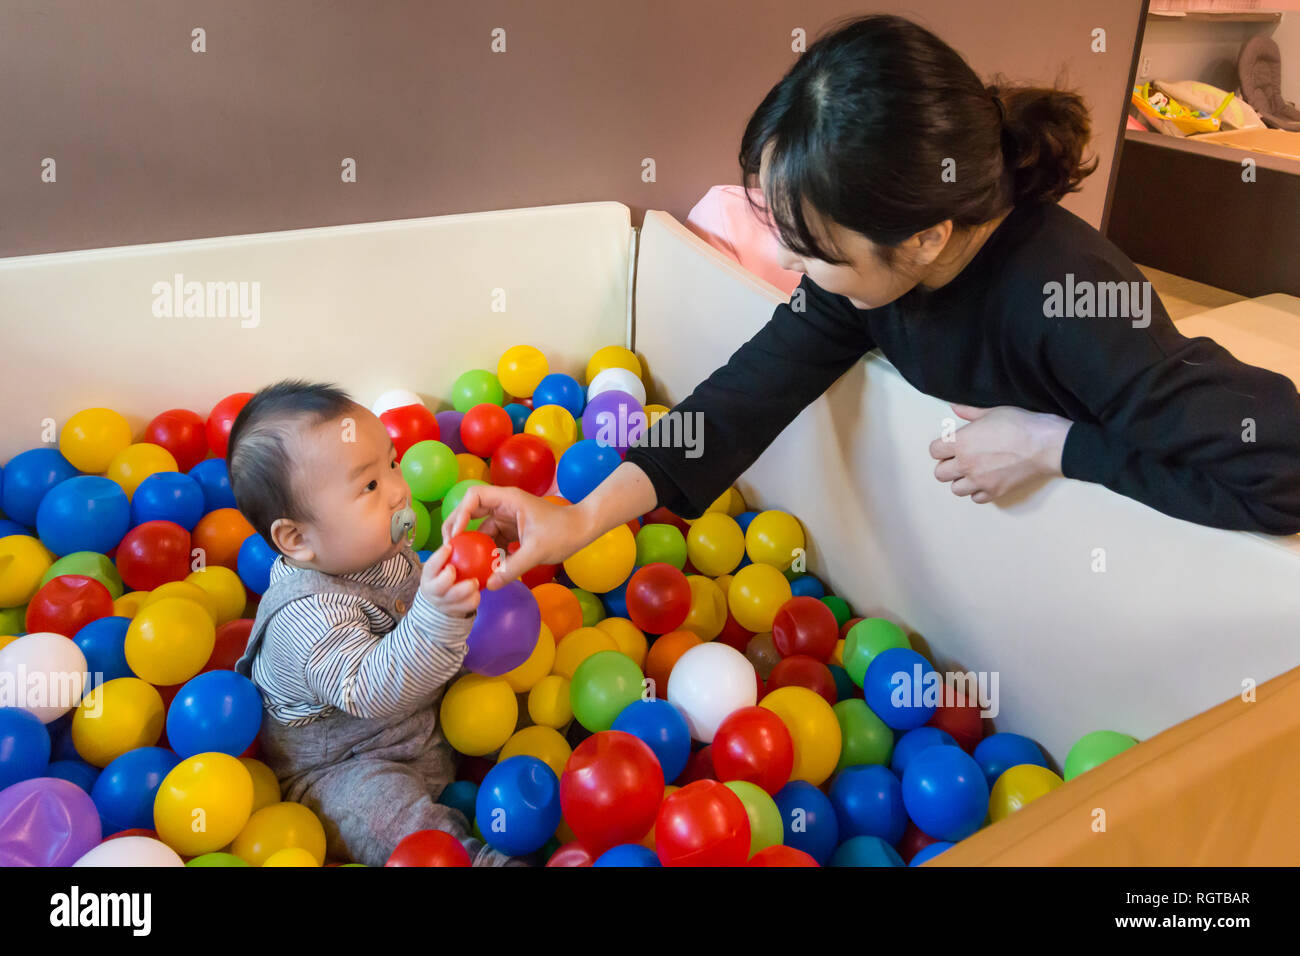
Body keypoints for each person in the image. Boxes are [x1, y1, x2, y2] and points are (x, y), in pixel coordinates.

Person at [444, 13, 1300, 589]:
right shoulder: (873, 270)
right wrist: (580, 516)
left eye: (813, 246)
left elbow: (1280, 472)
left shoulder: (1072, 303)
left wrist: (1056, 445)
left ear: (924, 238)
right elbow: (744, 398)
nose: (783, 256)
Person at [228, 380, 528, 867]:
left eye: (391, 462)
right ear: (297, 538)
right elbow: (369, 688)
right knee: (382, 814)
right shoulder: (306, 617)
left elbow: (414, 596)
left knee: (509, 699)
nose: (396, 490)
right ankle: (474, 859)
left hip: (431, 720)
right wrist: (437, 613)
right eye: (369, 485)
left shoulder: (372, 549)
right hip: (346, 765)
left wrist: (462, 570)